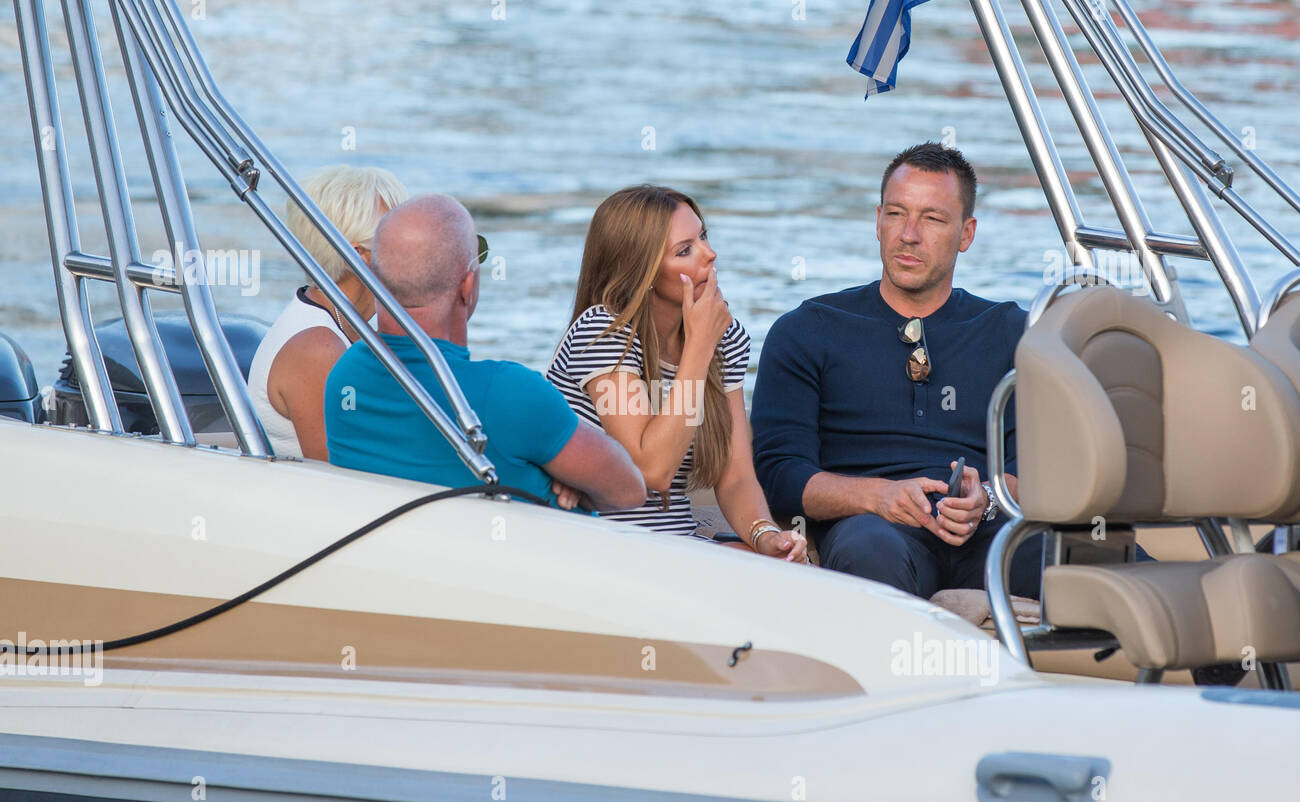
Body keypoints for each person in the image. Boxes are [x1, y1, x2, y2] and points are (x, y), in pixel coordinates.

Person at [751, 143, 1039, 596]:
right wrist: (879, 497)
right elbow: (779, 476)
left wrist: (986, 496)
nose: (909, 234)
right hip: (871, 530)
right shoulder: (807, 330)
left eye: (932, 218)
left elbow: (1042, 466)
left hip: (987, 532)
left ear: (966, 234)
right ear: (877, 220)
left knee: (1088, 557)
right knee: (870, 552)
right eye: (896, 214)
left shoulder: (1011, 331)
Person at [325, 194, 645, 512]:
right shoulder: (510, 392)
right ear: (467, 285)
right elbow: (629, 490)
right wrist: (566, 475)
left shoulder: (345, 376)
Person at [546, 185, 808, 562]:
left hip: (675, 545)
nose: (710, 254)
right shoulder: (605, 331)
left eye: (703, 237)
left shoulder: (725, 337)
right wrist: (700, 346)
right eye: (685, 250)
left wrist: (765, 535)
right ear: (644, 270)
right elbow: (651, 470)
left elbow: (735, 476)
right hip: (599, 545)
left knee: (794, 573)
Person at [249, 165, 408, 459]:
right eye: (400, 238)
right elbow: (341, 479)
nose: (414, 249)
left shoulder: (344, 327)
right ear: (357, 255)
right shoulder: (318, 349)